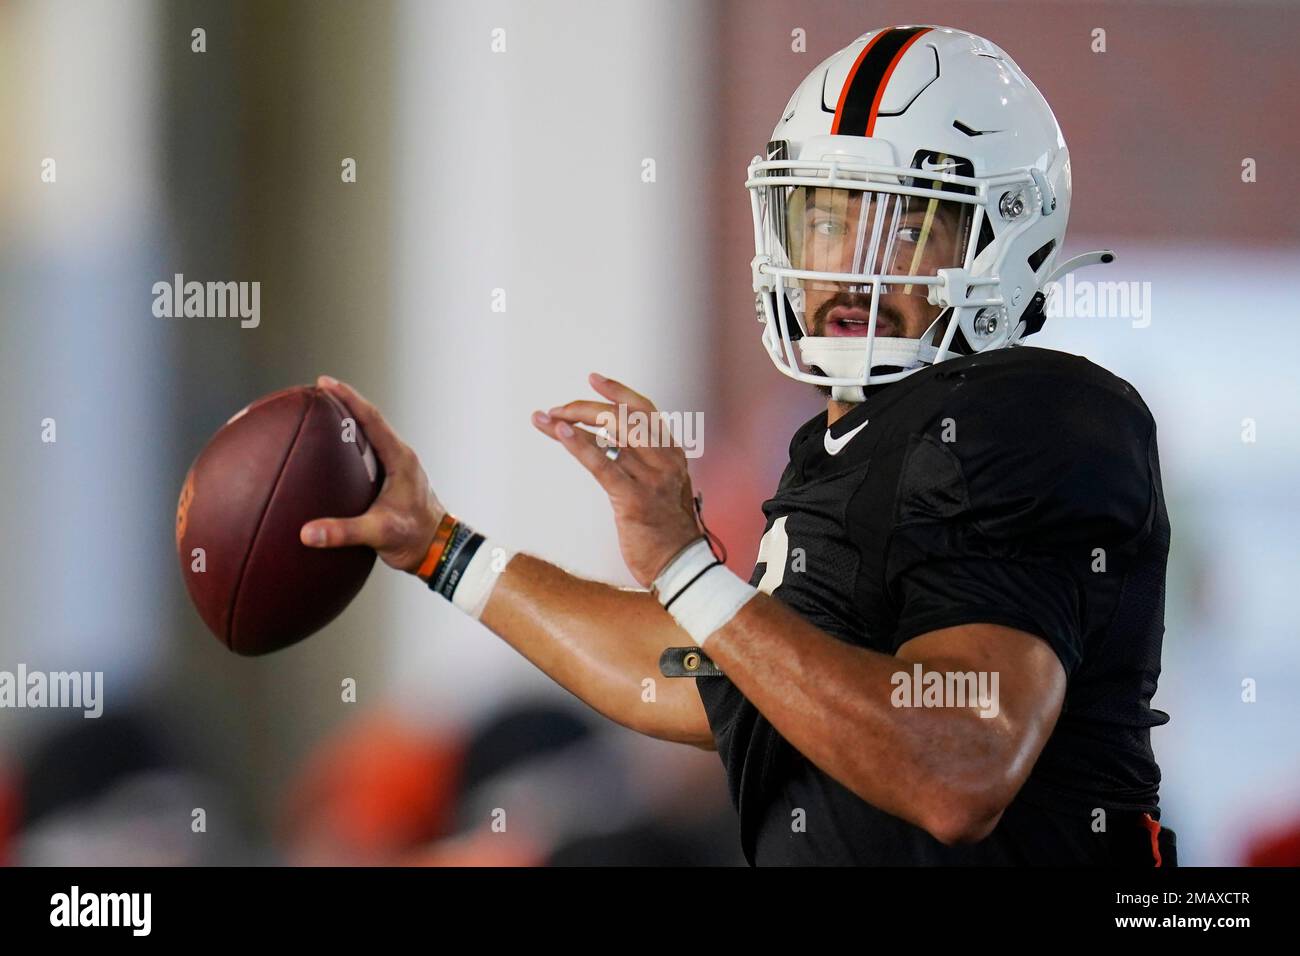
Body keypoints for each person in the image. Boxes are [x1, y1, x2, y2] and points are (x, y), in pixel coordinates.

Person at [301, 25, 1175, 866]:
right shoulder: (842, 445)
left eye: (905, 229)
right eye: (826, 221)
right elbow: (720, 674)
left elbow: (959, 765)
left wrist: (687, 568)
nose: (846, 269)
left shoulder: (1036, 415)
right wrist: (441, 546)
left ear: (1005, 235)